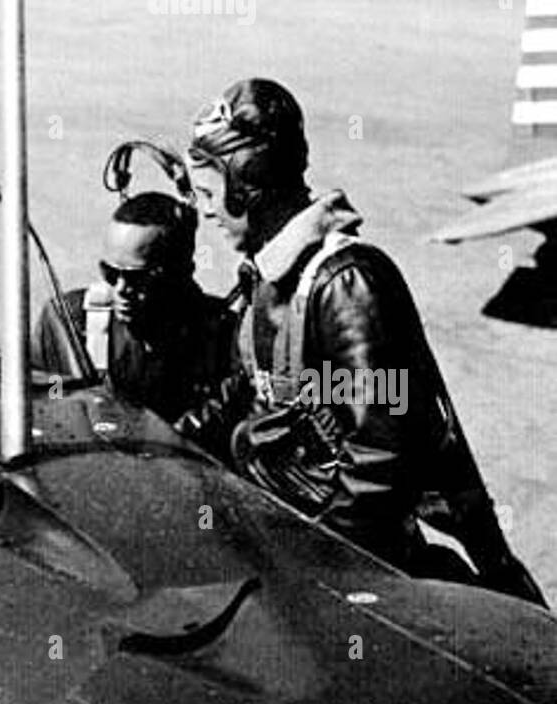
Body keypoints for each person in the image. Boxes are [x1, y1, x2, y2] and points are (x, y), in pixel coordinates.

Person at [187, 77, 545, 604]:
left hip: (352, 560)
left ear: (249, 187)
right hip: (289, 523)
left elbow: (384, 452)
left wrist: (313, 560)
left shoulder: (348, 286)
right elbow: (246, 390)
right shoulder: (268, 279)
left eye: (209, 194)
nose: (204, 210)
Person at [33, 191, 245, 452]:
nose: (121, 289)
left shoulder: (225, 336)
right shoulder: (67, 324)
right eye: (110, 273)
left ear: (182, 274)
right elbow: (44, 402)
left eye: (139, 278)